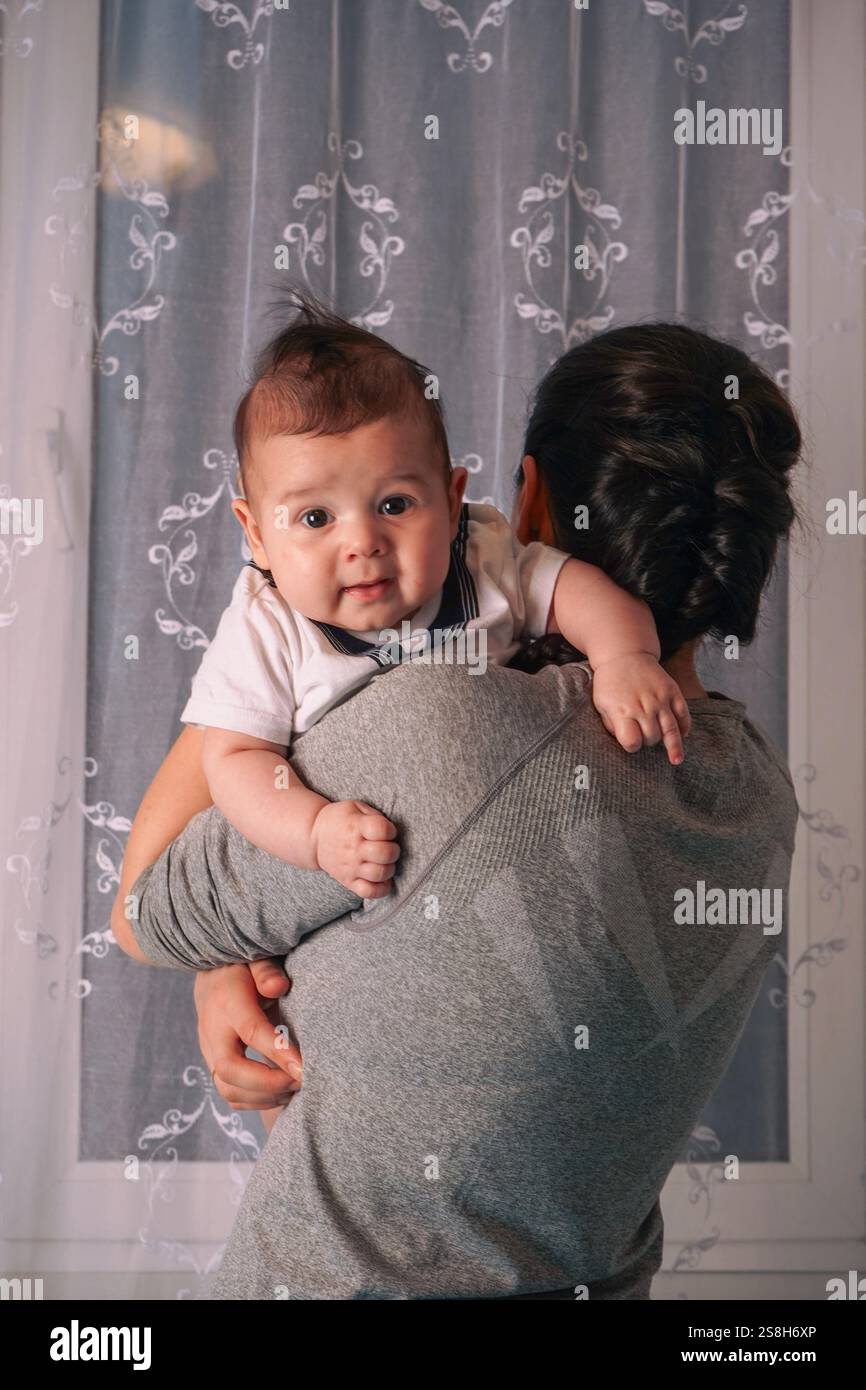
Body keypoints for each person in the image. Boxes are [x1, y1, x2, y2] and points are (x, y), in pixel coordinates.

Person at [112, 322, 802, 1299]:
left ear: (515, 497)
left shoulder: (434, 722)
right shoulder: (761, 801)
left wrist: (222, 958)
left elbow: (143, 909)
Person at [181, 295, 689, 902]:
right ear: (257, 534)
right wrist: (313, 829)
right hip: (352, 867)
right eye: (316, 517)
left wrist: (622, 658)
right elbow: (234, 761)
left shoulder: (479, 559)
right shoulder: (267, 626)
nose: (363, 542)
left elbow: (574, 589)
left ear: (452, 502)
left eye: (394, 504)